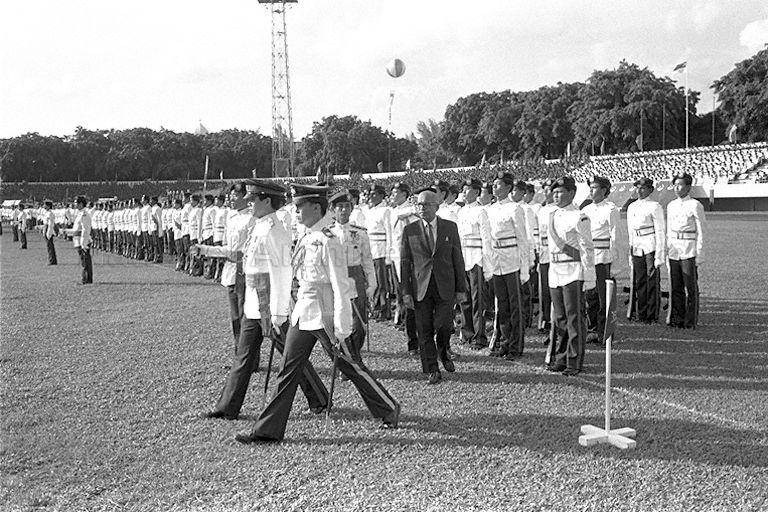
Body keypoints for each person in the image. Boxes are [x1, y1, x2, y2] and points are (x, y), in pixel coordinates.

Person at [235, 183, 400, 444]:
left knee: (349, 364)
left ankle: (387, 406)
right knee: (287, 369)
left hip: (325, 314)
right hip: (303, 312)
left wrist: (342, 324)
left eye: (300, 206)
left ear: (315, 207)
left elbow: (340, 286)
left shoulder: (328, 240)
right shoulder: (307, 235)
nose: (296, 211)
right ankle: (267, 430)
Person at [200, 179, 328, 420]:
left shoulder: (275, 230)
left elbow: (281, 272)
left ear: (267, 201)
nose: (250, 205)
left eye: (253, 200)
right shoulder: (259, 225)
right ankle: (228, 407)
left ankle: (319, 398)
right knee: (244, 356)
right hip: (253, 301)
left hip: (270, 303)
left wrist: (279, 311)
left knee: (290, 358)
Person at [400, 189, 467, 385]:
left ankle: (444, 351)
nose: (422, 208)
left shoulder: (449, 227)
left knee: (444, 325)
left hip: (445, 285)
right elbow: (405, 263)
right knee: (424, 329)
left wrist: (461, 288)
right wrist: (405, 292)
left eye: (426, 204)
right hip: (420, 287)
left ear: (436, 207)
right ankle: (432, 369)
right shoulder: (409, 230)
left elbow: (458, 259)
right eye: (419, 205)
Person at [544, 177, 595, 376]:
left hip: (573, 270)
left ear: (572, 193)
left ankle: (574, 360)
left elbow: (587, 249)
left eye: (561, 192)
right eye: (554, 192)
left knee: (574, 317)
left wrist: (588, 277)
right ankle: (561, 357)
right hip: (555, 270)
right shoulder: (552, 215)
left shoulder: (580, 217)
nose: (556, 195)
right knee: (559, 318)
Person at [486, 172, 529, 360]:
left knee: (515, 306)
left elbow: (522, 239)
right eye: (493, 185)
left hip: (512, 261)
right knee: (501, 305)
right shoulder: (491, 209)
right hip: (497, 261)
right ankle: (503, 341)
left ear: (508, 188)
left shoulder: (515, 209)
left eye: (498, 185)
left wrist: (525, 268)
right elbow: (487, 239)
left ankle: (515, 346)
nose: (494, 188)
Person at [330, 190, 376, 364]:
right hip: (335, 278)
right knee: (339, 320)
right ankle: (344, 357)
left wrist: (372, 283)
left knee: (359, 323)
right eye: (339, 207)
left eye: (347, 206)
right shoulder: (327, 233)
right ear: (333, 210)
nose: (343, 210)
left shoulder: (360, 233)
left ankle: (354, 353)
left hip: (355, 278)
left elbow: (367, 260)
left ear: (352, 209)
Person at [581, 176, 619, 343]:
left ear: (604, 190)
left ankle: (605, 332)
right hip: (590, 258)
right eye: (590, 187)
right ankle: (592, 328)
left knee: (604, 297)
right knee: (591, 296)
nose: (591, 190)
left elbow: (616, 237)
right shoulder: (586, 210)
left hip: (604, 257)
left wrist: (615, 263)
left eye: (595, 187)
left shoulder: (611, 209)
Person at [456, 178, 492, 349]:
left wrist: (487, 263)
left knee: (477, 299)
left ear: (476, 192)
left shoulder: (481, 211)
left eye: (467, 189)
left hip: (477, 257)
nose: (464, 192)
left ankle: (479, 336)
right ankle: (467, 332)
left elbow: (486, 239)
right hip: (463, 257)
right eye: (463, 189)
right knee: (464, 298)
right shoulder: (461, 212)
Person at [666, 172, 705, 329]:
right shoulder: (671, 205)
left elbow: (702, 231)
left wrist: (699, 254)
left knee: (690, 287)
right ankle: (677, 318)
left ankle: (690, 320)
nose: (677, 188)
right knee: (676, 286)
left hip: (689, 249)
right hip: (674, 249)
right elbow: (669, 230)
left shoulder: (695, 205)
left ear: (688, 187)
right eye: (675, 184)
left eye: (680, 184)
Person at [626, 177, 666, 323]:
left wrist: (659, 255)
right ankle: (641, 313)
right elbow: (631, 231)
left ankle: (652, 314)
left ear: (650, 190)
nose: (639, 191)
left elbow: (660, 231)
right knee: (640, 281)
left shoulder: (655, 206)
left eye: (643, 188)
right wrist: (630, 252)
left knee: (652, 281)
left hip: (650, 245)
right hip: (637, 245)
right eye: (637, 188)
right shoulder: (632, 207)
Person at [388, 182, 420, 355]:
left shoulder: (411, 210)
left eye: (396, 193)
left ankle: (415, 340)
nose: (392, 196)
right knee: (403, 296)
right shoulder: (397, 211)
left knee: (411, 299)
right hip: (396, 257)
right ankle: (410, 338)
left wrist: (411, 210)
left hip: (409, 259)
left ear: (405, 194)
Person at [365, 184, 393, 321]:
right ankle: (375, 307)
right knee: (373, 281)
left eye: (374, 194)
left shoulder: (385, 211)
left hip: (381, 250)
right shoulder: (370, 211)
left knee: (383, 283)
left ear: (382, 196)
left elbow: (389, 232)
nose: (371, 196)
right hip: (371, 250)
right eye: (370, 193)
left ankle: (384, 310)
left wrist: (389, 253)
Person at [535, 181, 556, 335]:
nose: (546, 193)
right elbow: (537, 233)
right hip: (543, 253)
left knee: (555, 289)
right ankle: (545, 319)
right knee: (544, 290)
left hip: (557, 254)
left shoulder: (558, 210)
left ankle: (555, 319)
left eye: (549, 190)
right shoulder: (541, 210)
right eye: (545, 190)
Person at [66, 196, 93, 284]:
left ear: (81, 204)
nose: (75, 205)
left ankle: (85, 279)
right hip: (78, 239)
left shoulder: (84, 214)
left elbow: (85, 229)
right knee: (84, 260)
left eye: (76, 203)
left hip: (82, 240)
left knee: (84, 261)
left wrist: (83, 243)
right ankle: (87, 279)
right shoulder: (80, 213)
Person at [42, 200, 57, 264]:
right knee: (48, 246)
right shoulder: (47, 212)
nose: (44, 206)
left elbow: (51, 224)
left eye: (45, 205)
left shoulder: (50, 213)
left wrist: (49, 233)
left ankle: (52, 260)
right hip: (46, 227)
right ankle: (51, 259)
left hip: (49, 228)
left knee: (50, 246)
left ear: (48, 206)